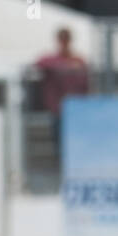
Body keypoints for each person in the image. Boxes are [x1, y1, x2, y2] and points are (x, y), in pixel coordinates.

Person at [32, 27, 90, 161]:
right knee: (59, 142)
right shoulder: (53, 59)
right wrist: (66, 66)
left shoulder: (79, 61)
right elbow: (40, 63)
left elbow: (85, 83)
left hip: (75, 108)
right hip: (58, 109)